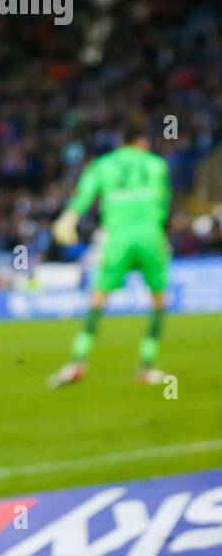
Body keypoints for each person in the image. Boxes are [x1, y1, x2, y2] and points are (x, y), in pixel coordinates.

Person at [48, 125, 172, 387]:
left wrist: (67, 219)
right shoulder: (157, 164)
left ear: (121, 142)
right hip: (151, 235)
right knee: (159, 300)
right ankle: (146, 367)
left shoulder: (102, 165)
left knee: (99, 298)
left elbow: (83, 197)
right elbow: (164, 204)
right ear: (142, 142)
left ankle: (77, 362)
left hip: (117, 237)